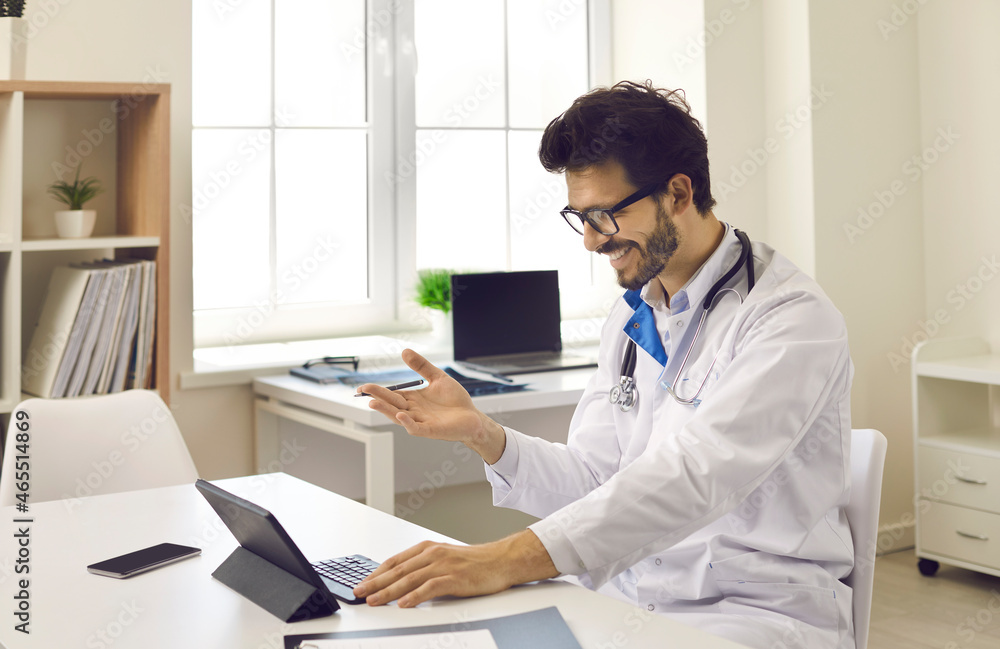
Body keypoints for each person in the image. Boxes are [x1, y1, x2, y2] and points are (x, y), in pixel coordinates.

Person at [353, 80, 855, 649]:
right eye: (580, 217)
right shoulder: (633, 313)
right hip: (628, 595)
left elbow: (696, 476)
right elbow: (593, 483)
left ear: (679, 193)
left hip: (749, 611)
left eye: (605, 216)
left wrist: (503, 558)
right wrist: (484, 435)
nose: (591, 242)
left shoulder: (789, 318)